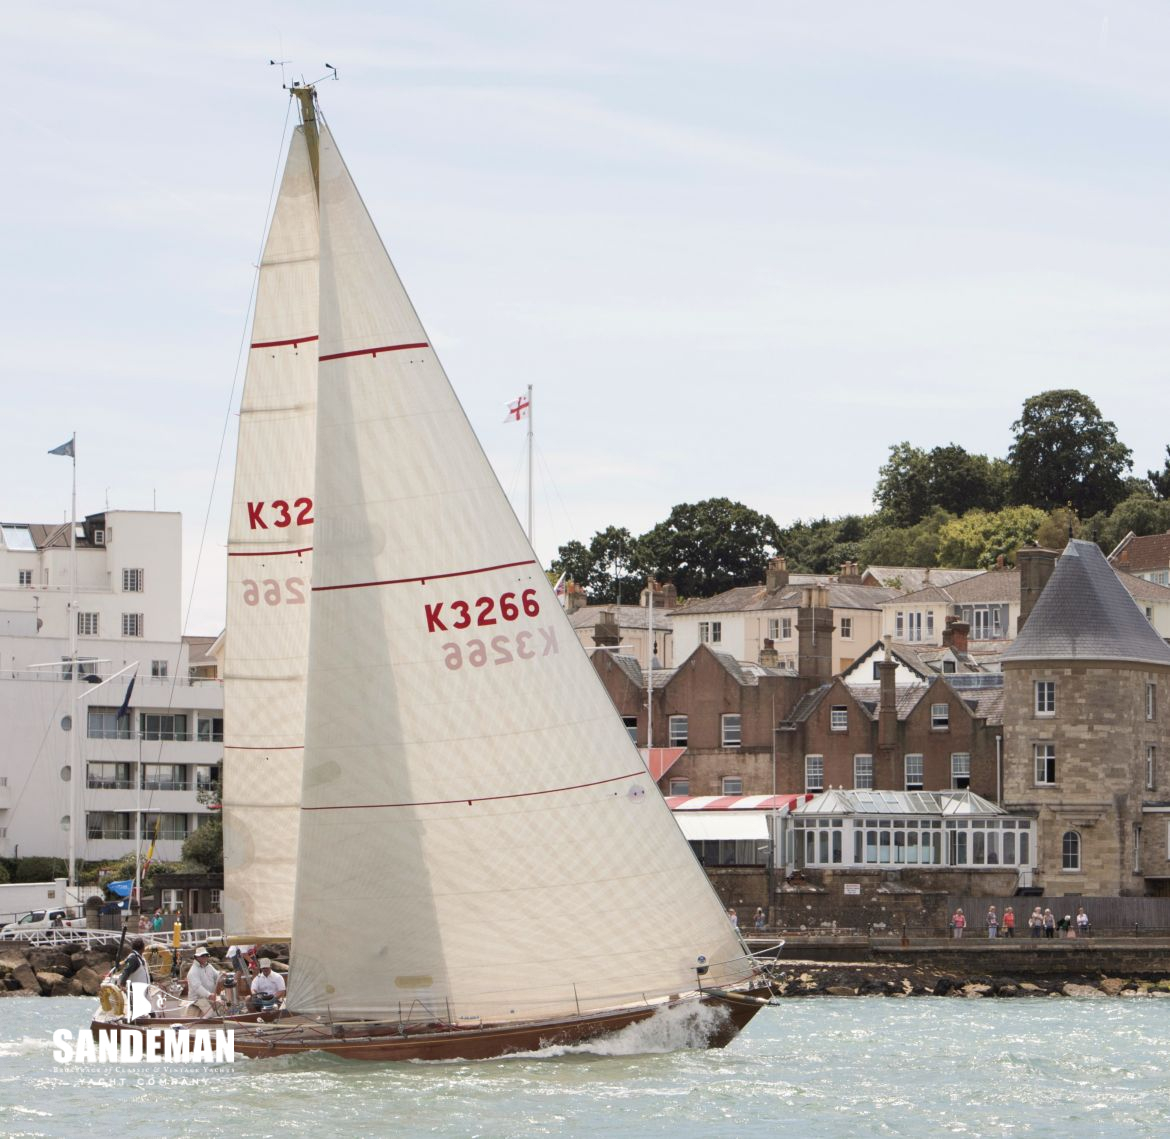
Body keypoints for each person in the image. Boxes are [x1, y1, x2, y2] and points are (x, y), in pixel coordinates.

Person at [184, 946, 220, 1016]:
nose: (205, 957)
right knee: (210, 1014)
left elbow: (217, 975)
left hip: (209, 997)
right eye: (202, 955)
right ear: (196, 957)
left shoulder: (209, 966)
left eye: (206, 955)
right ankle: (205, 1024)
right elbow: (197, 987)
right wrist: (208, 995)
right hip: (197, 999)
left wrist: (224, 974)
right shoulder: (192, 972)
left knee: (223, 1006)